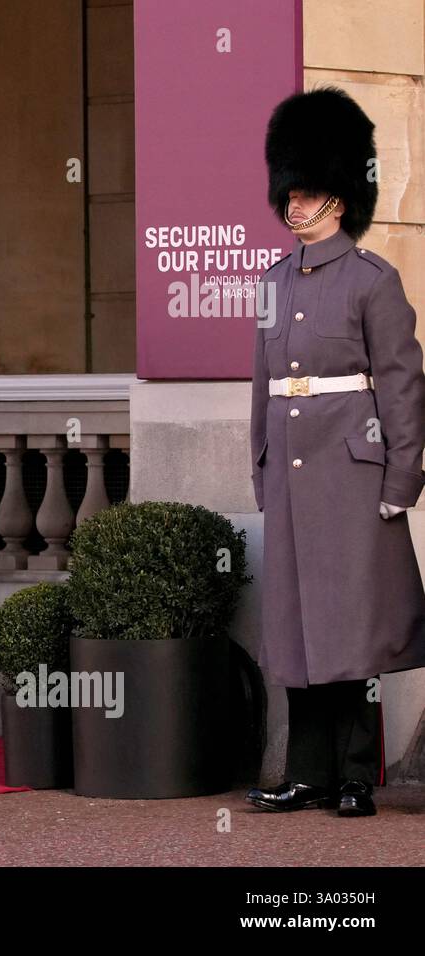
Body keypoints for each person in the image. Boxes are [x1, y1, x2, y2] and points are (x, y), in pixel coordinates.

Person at [246, 87, 425, 817]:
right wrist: (260, 463)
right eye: (289, 191)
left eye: (310, 193)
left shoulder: (373, 282)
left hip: (355, 475)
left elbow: (402, 384)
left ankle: (354, 778)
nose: (295, 205)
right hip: (293, 476)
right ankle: (307, 774)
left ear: (341, 200)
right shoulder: (271, 282)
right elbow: (264, 383)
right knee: (296, 631)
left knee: (351, 631)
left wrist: (402, 476)